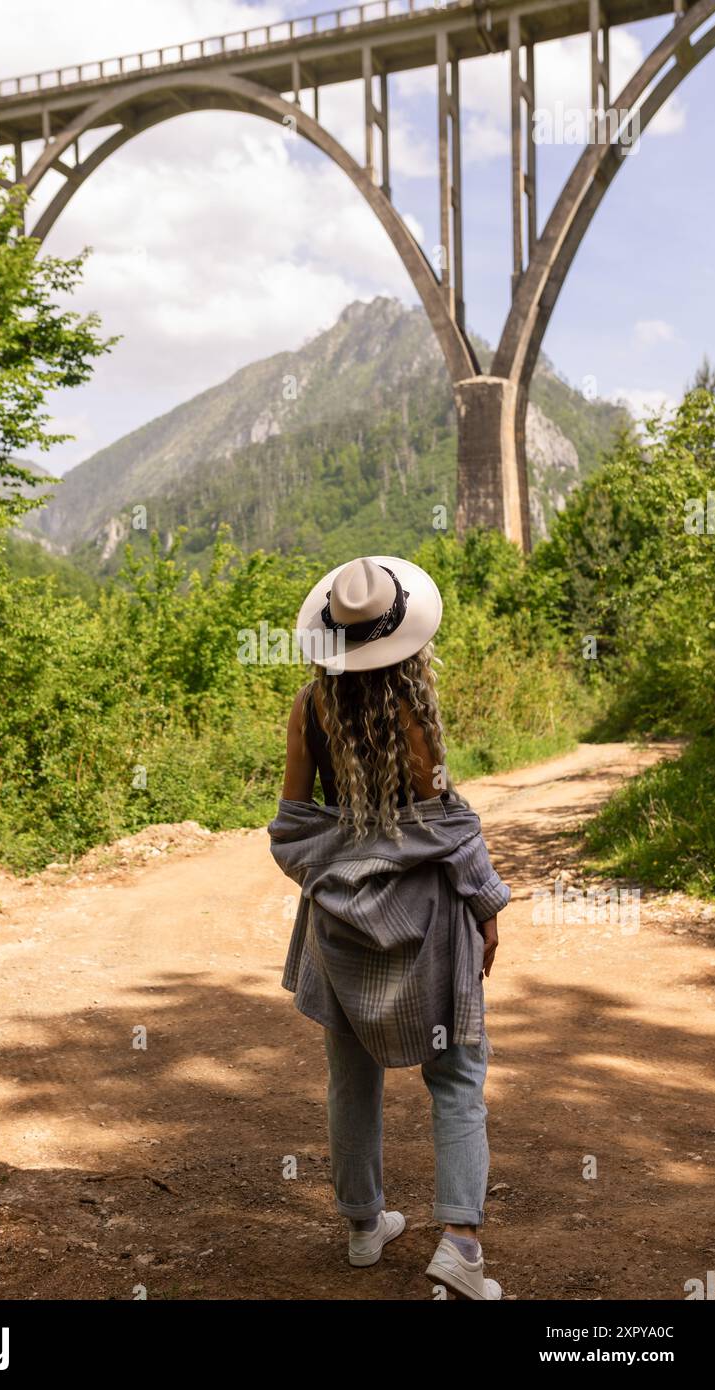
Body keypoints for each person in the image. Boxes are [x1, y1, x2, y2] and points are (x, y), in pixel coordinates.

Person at [267, 555, 510, 1300]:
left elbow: (292, 827)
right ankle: (460, 1246)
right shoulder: (416, 713)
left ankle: (364, 1225)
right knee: (458, 1074)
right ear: (404, 632)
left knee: (351, 1075)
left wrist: (344, 863)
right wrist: (486, 902)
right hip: (426, 921)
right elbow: (444, 824)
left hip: (337, 924)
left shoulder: (309, 708)